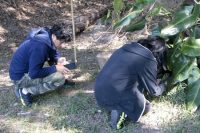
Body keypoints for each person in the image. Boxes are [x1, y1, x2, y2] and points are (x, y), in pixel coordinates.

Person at [94, 36, 167, 129]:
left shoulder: (125, 48)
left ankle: (114, 106)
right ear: (159, 53)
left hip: (99, 91)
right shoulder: (148, 59)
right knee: (146, 107)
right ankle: (120, 112)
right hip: (116, 94)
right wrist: (164, 85)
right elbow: (155, 91)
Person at [9, 23, 74, 107]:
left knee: (57, 71)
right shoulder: (40, 46)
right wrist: (55, 68)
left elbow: (52, 49)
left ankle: (24, 88)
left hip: (24, 72)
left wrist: (58, 59)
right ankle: (25, 91)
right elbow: (34, 73)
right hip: (20, 78)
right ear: (54, 36)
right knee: (59, 78)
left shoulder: (47, 34)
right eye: (61, 42)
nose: (63, 45)